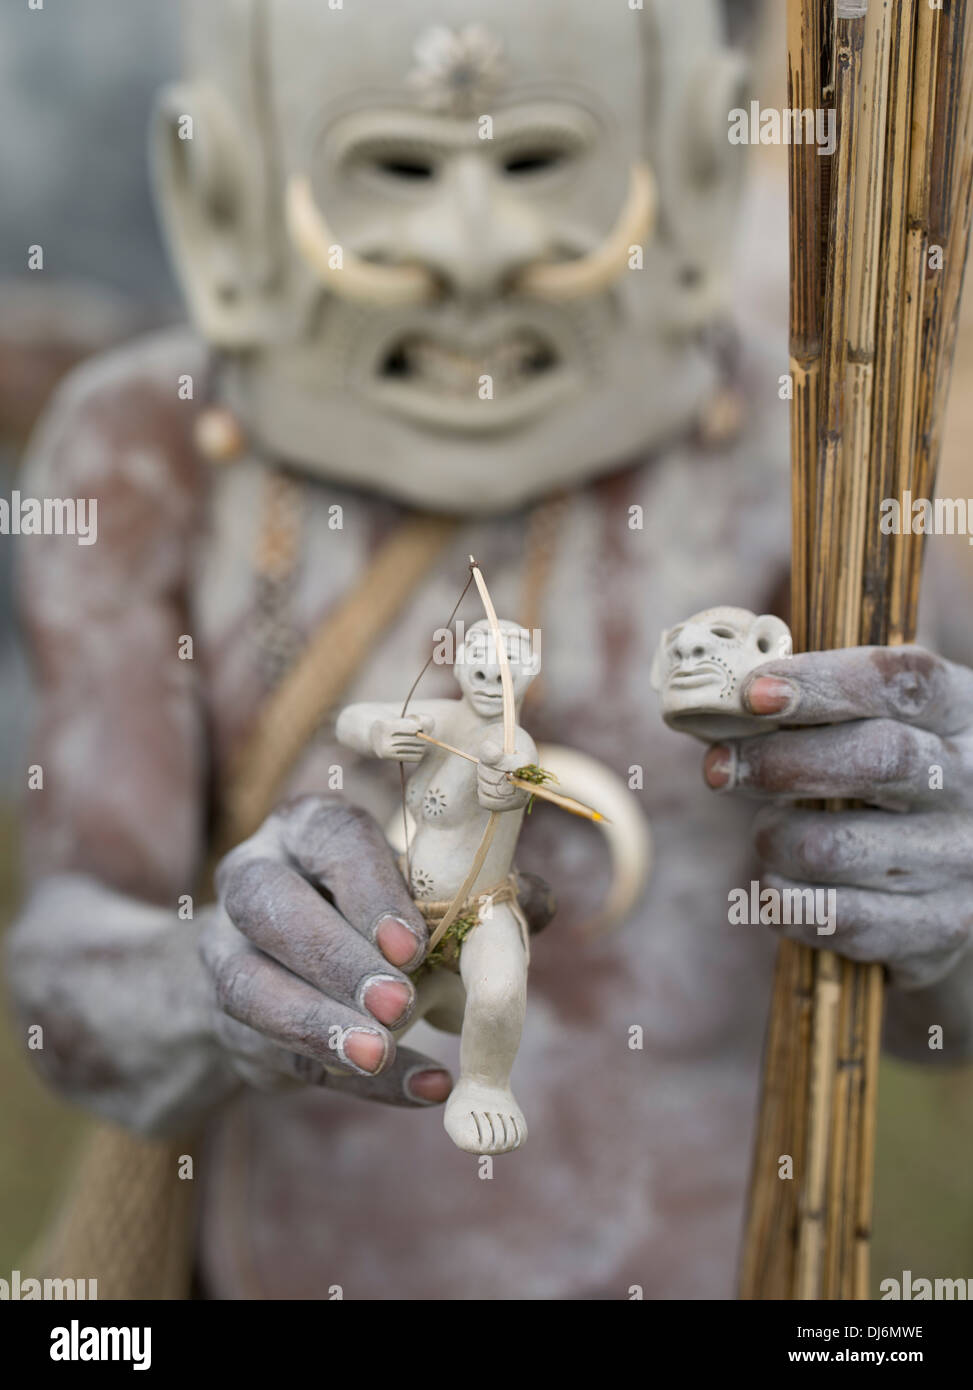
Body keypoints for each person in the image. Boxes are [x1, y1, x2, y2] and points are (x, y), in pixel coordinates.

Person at [8, 0, 973, 1299]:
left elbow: (930, 1020)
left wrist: (944, 919)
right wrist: (220, 981)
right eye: (398, 167)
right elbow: (67, 973)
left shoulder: (819, 469)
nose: (471, 254)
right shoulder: (151, 457)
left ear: (683, 170)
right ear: (222, 192)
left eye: (531, 164)